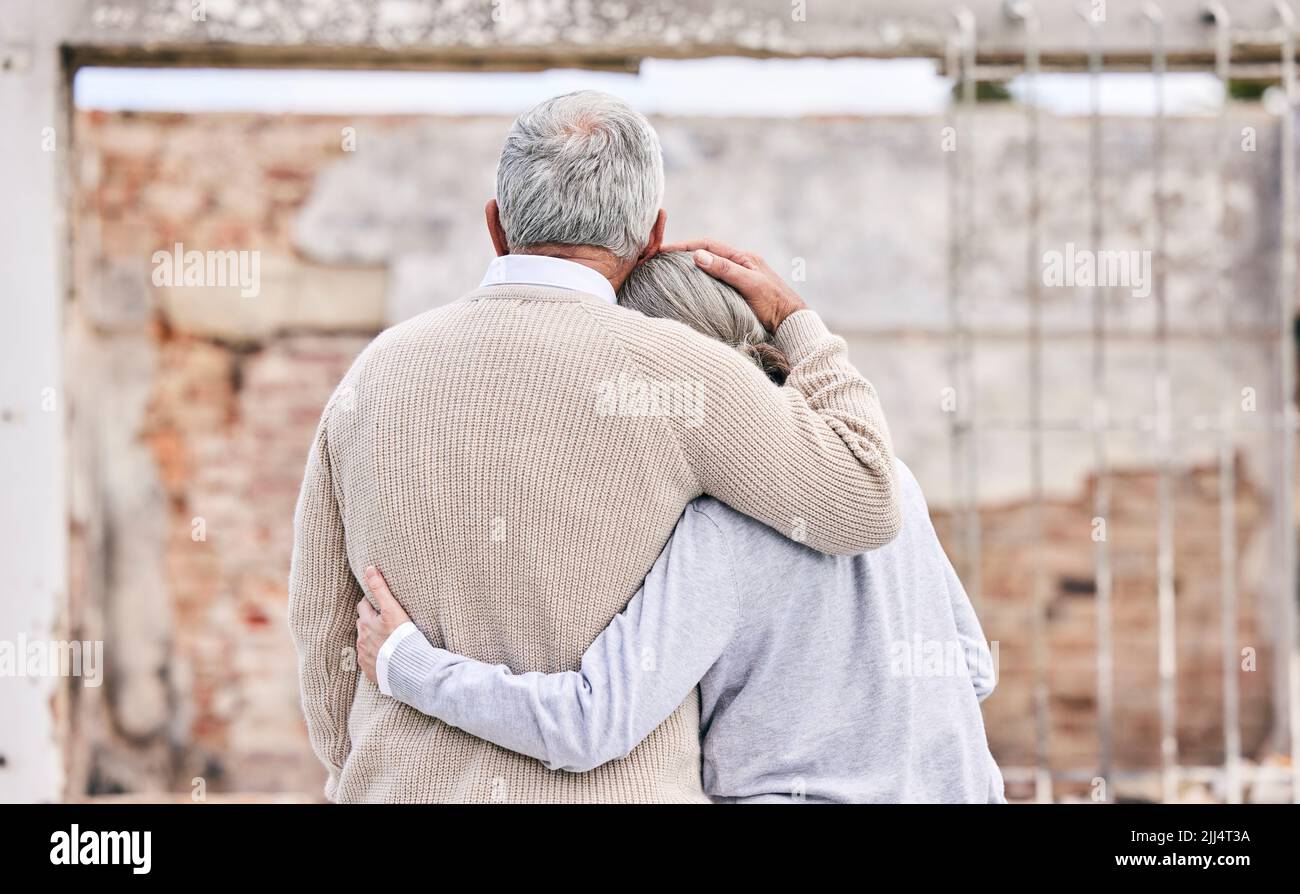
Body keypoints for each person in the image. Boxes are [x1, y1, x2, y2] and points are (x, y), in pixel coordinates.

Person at [288, 91, 901, 803]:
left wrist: (366, 770)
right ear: (653, 234)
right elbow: (868, 498)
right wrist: (795, 320)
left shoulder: (372, 375)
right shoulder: (684, 375)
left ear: (496, 224)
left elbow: (323, 630)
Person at [355, 252, 1004, 803]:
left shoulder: (717, 531)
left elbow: (589, 723)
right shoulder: (891, 480)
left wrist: (411, 667)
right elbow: (973, 669)